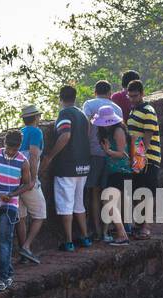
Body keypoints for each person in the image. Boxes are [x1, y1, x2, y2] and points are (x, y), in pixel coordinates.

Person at [40, 85, 92, 252]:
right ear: (75, 97)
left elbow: (65, 134)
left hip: (67, 166)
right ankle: (85, 237)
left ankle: (68, 240)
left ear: (60, 98)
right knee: (79, 203)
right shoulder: (82, 115)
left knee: (65, 204)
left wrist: (50, 156)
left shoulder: (65, 114)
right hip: (83, 165)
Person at [0, 130, 31, 291]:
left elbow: (28, 183)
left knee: (4, 239)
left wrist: (12, 194)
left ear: (19, 146)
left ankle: (1, 278)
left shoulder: (23, 161)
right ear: (4, 144)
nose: (11, 151)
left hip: (10, 204)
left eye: (15, 149)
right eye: (9, 148)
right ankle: (9, 272)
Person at [125, 80, 161, 240]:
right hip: (136, 158)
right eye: (130, 96)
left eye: (135, 96)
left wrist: (141, 158)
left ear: (142, 94)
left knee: (146, 192)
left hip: (148, 158)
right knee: (137, 192)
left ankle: (146, 225)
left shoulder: (148, 110)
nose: (132, 99)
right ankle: (139, 224)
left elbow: (148, 137)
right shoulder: (134, 111)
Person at [81, 81, 116, 241]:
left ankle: (96, 230)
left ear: (95, 91)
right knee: (108, 194)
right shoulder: (116, 108)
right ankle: (106, 231)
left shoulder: (89, 104)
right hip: (111, 155)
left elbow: (85, 126)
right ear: (110, 92)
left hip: (93, 153)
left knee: (94, 193)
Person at [93, 104, 131, 245]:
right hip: (113, 171)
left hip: (121, 171)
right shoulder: (109, 132)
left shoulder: (118, 131)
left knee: (107, 201)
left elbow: (122, 154)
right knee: (109, 201)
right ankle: (122, 233)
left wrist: (108, 151)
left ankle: (122, 234)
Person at [15, 106, 47, 264]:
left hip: (15, 181)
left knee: (21, 217)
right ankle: (26, 247)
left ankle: (23, 252)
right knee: (40, 213)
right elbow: (33, 156)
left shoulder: (21, 132)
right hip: (27, 179)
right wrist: (33, 179)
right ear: (36, 118)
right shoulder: (36, 132)